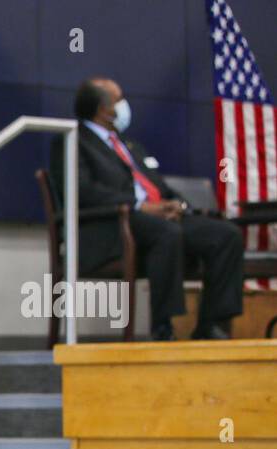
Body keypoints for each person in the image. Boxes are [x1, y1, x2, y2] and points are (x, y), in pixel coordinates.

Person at [54, 76, 244, 341]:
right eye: (119, 99)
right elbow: (82, 191)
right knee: (166, 233)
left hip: (154, 221)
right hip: (110, 226)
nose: (124, 105)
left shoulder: (128, 145)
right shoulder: (74, 141)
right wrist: (141, 206)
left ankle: (212, 324)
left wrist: (175, 204)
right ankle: (163, 325)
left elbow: (156, 185)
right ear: (102, 109)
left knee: (226, 235)